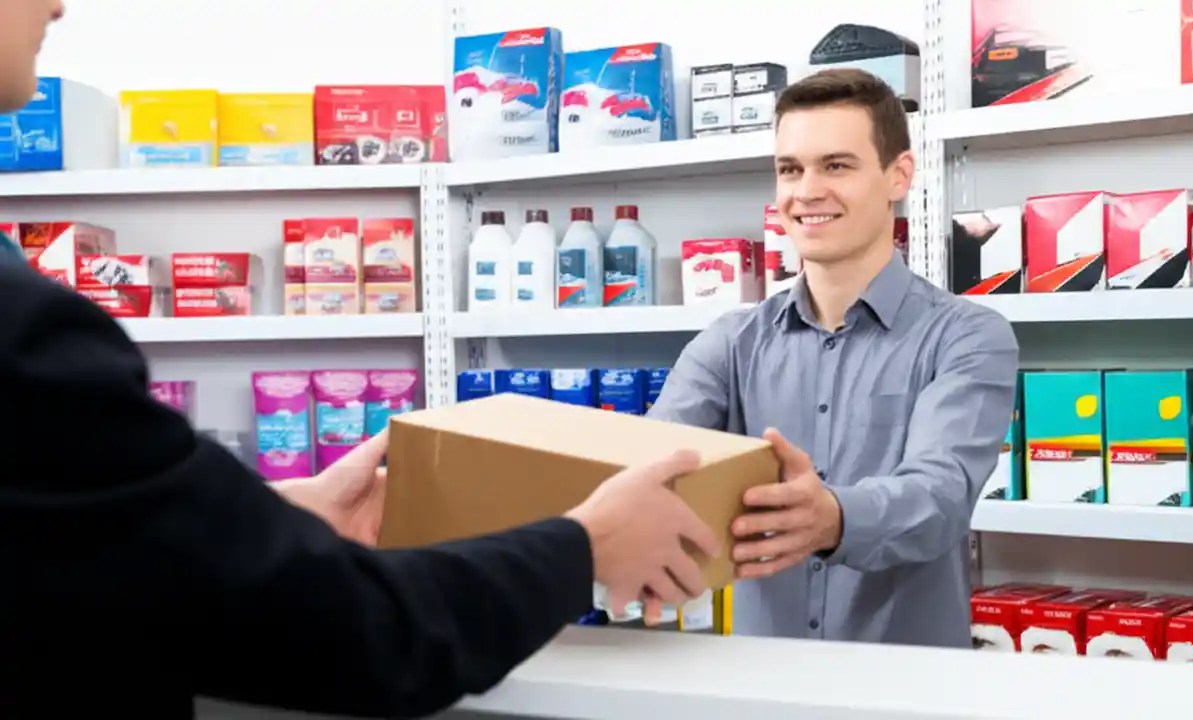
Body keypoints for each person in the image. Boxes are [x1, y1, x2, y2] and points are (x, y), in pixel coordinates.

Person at [0, 1, 718, 716]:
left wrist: (283, 515)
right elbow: (344, 633)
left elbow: (86, 548)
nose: (60, 6)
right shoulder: (24, 323)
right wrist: (584, 547)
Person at [648, 68, 1019, 648]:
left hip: (907, 693)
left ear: (899, 175)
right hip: (763, 691)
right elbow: (651, 463)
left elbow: (940, 496)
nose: (807, 191)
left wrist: (834, 517)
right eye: (790, 169)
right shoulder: (730, 342)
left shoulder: (968, 337)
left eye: (836, 166)